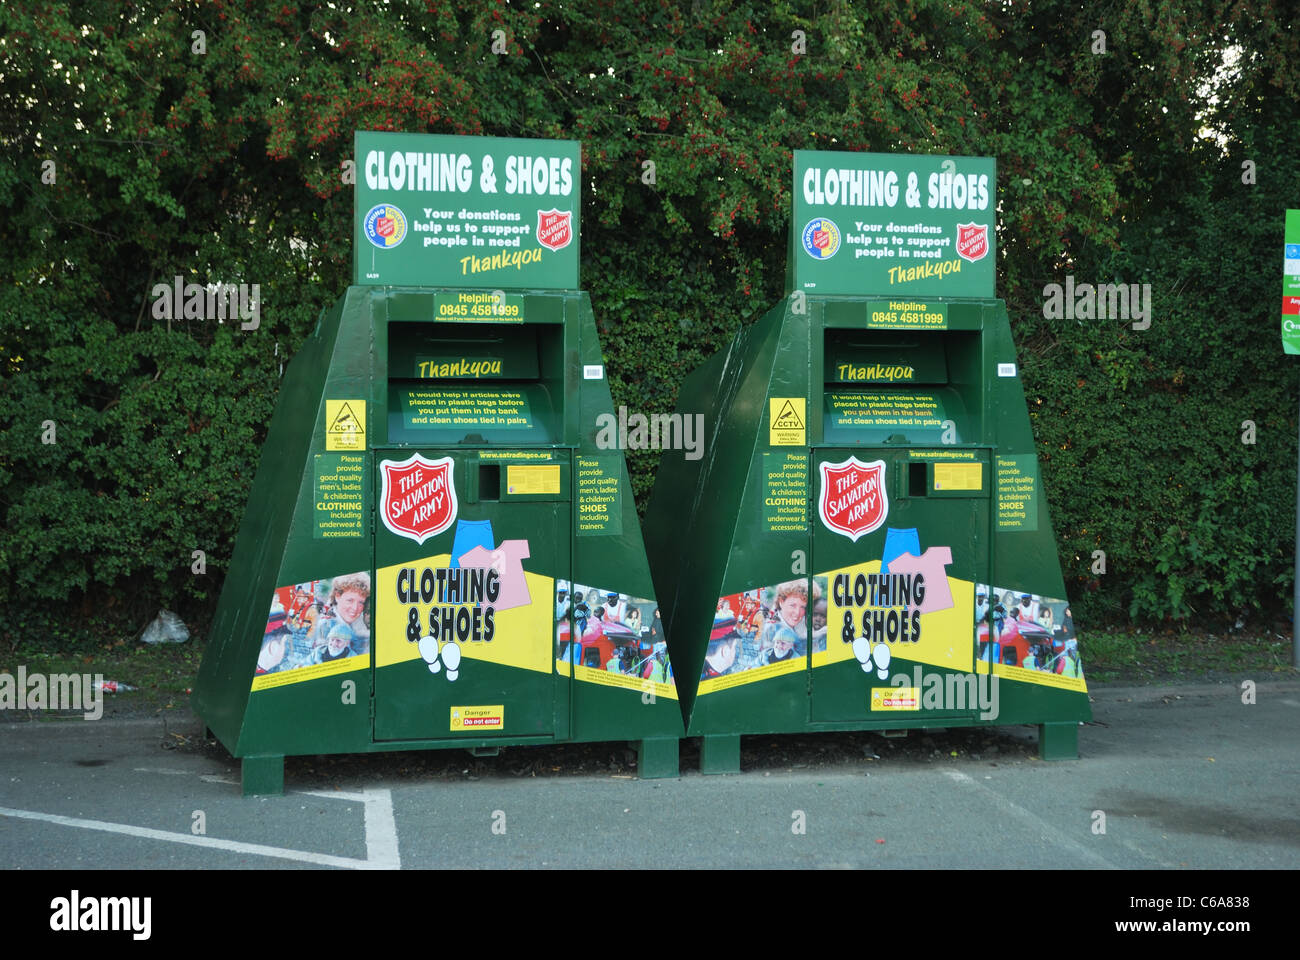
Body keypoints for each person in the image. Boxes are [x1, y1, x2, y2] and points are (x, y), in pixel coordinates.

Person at [756, 579, 816, 663]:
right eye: (792, 605)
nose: (797, 613)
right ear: (781, 602)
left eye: (803, 607)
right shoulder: (771, 629)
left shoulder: (804, 624)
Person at [314, 572, 370, 657]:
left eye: (361, 602)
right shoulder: (325, 626)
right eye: (350, 600)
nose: (355, 608)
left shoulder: (362, 623)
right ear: (337, 596)